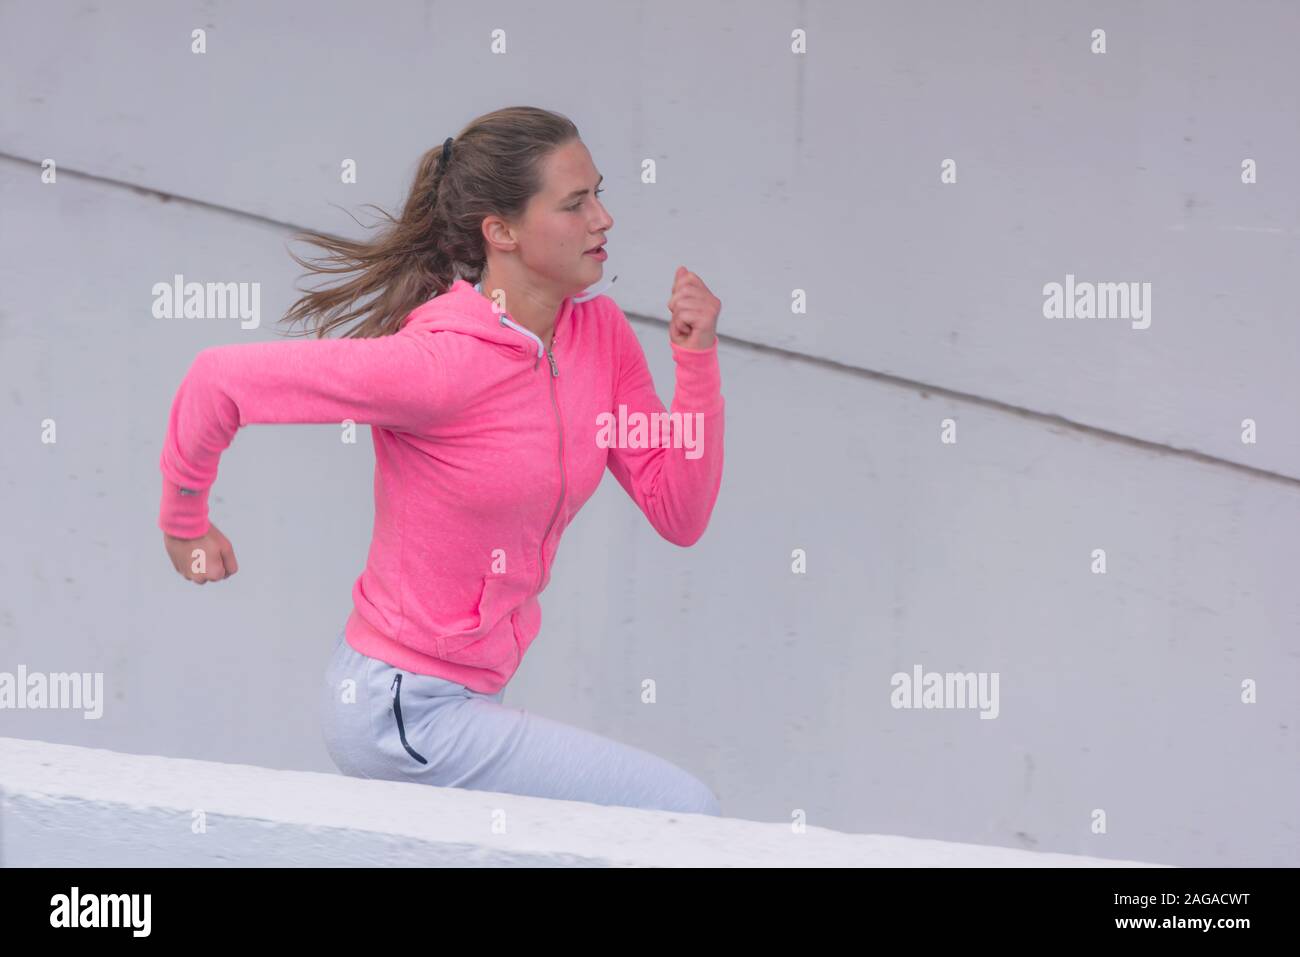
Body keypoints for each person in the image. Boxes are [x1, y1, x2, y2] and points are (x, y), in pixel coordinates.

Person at [156, 106, 726, 816]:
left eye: (600, 193)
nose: (603, 218)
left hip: (472, 695)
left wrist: (695, 362)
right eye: (576, 203)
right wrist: (185, 521)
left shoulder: (599, 338)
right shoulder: (441, 362)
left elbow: (679, 509)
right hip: (401, 709)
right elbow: (220, 380)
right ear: (502, 231)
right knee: (680, 810)